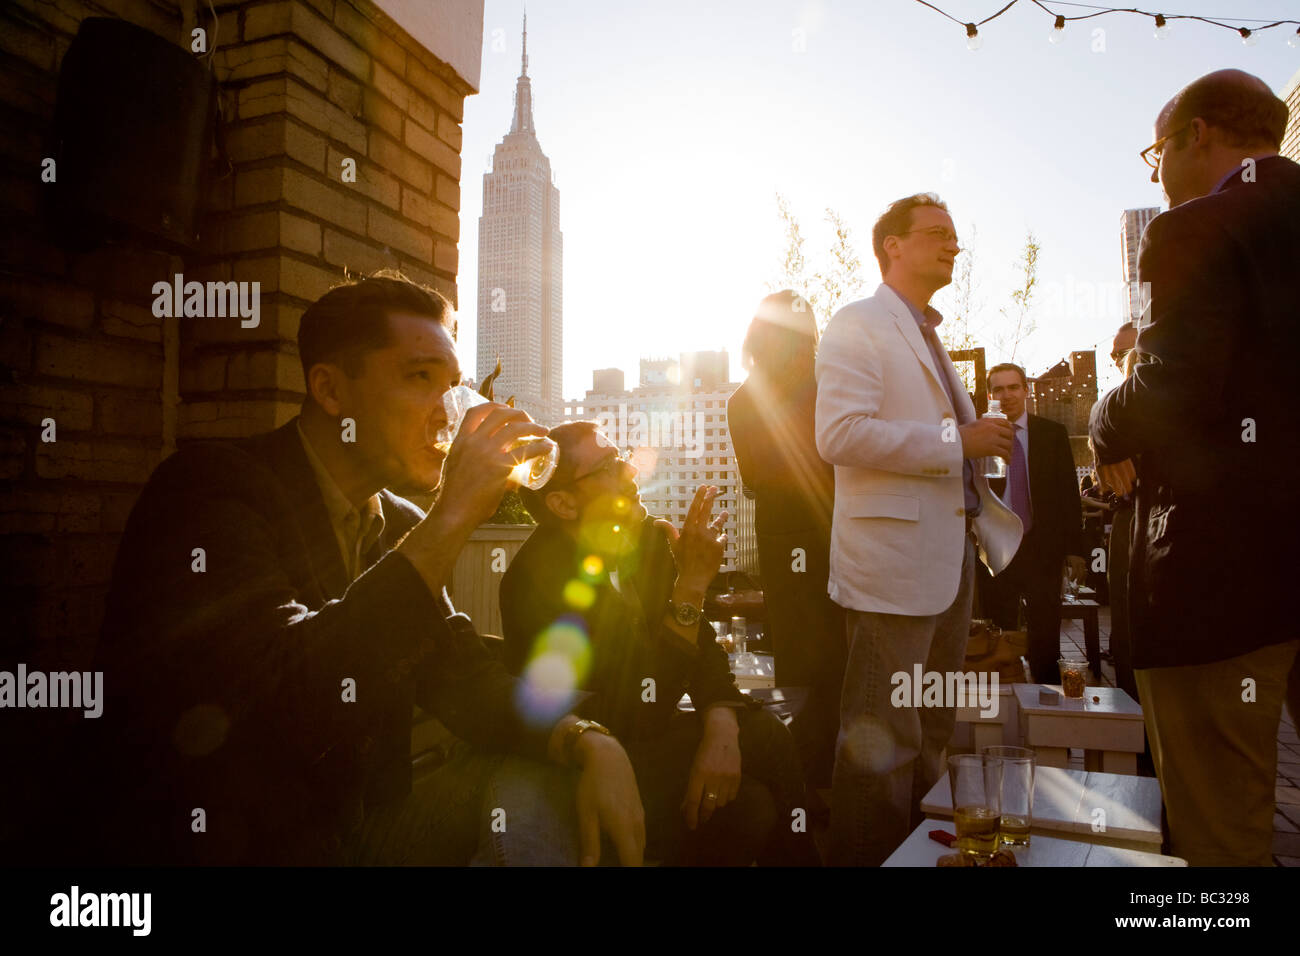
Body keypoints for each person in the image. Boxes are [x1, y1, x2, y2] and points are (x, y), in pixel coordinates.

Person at [73, 271, 644, 866]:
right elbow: (286, 699)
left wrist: (584, 737)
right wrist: (449, 520)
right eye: (418, 378)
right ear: (331, 391)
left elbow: (462, 676)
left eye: (453, 385)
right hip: (225, 837)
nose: (446, 410)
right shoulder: (211, 488)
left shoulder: (396, 522)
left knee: (547, 780)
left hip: (349, 822)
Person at [1090, 69, 1300, 866]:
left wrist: (1110, 420)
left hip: (1225, 581)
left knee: (1222, 830)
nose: (1157, 174)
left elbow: (1168, 396)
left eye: (1158, 151)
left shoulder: (1192, 229)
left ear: (1198, 134)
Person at [501, 422, 817, 865]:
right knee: (766, 738)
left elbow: (699, 644)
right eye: (610, 466)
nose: (632, 471)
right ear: (563, 503)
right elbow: (636, 712)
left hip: (649, 742)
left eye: (623, 456)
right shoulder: (539, 582)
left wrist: (722, 720)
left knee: (751, 806)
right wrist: (690, 585)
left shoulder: (644, 540)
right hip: (587, 765)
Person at [815, 193, 1022, 866]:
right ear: (892, 246)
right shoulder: (856, 323)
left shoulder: (929, 334)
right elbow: (839, 434)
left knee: (933, 734)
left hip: (951, 564)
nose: (952, 245)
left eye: (956, 237)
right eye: (937, 233)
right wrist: (958, 439)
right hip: (890, 570)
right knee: (881, 746)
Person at [727, 290, 844, 795]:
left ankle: (810, 786)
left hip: (787, 540)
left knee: (801, 663)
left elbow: (753, 479)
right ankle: (832, 782)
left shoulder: (742, 400)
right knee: (841, 657)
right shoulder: (830, 385)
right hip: (834, 530)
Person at [979, 363, 1085, 683]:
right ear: (990, 396)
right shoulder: (980, 437)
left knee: (1045, 634)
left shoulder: (1052, 434)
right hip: (997, 549)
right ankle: (1004, 707)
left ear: (1026, 390)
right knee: (998, 633)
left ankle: (1047, 702)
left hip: (1042, 547)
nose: (1007, 395)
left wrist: (1075, 549)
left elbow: (1069, 493)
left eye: (1013, 387)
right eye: (998, 389)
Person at [1103, 324, 1139, 699]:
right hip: (1131, 522)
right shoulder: (1115, 408)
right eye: (1115, 354)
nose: (1121, 361)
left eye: (1126, 352)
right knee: (1127, 626)